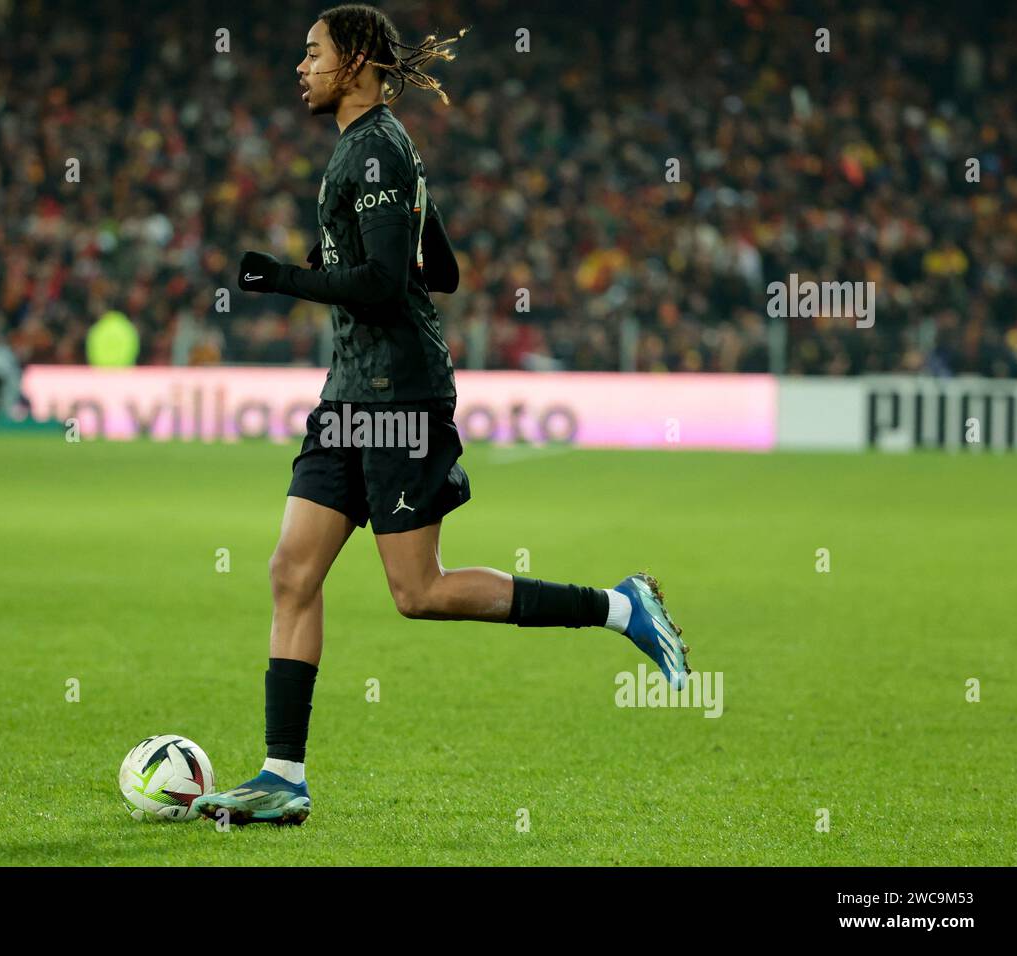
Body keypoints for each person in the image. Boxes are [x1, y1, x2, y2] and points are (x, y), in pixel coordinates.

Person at [193, 4, 689, 827]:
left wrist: (284, 278)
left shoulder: (381, 147)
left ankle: (620, 605)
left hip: (399, 396)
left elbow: (393, 284)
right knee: (291, 572)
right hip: (349, 396)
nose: (299, 66)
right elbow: (444, 268)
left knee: (416, 592)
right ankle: (283, 776)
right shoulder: (371, 151)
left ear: (354, 60)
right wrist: (350, 255)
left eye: (311, 53)